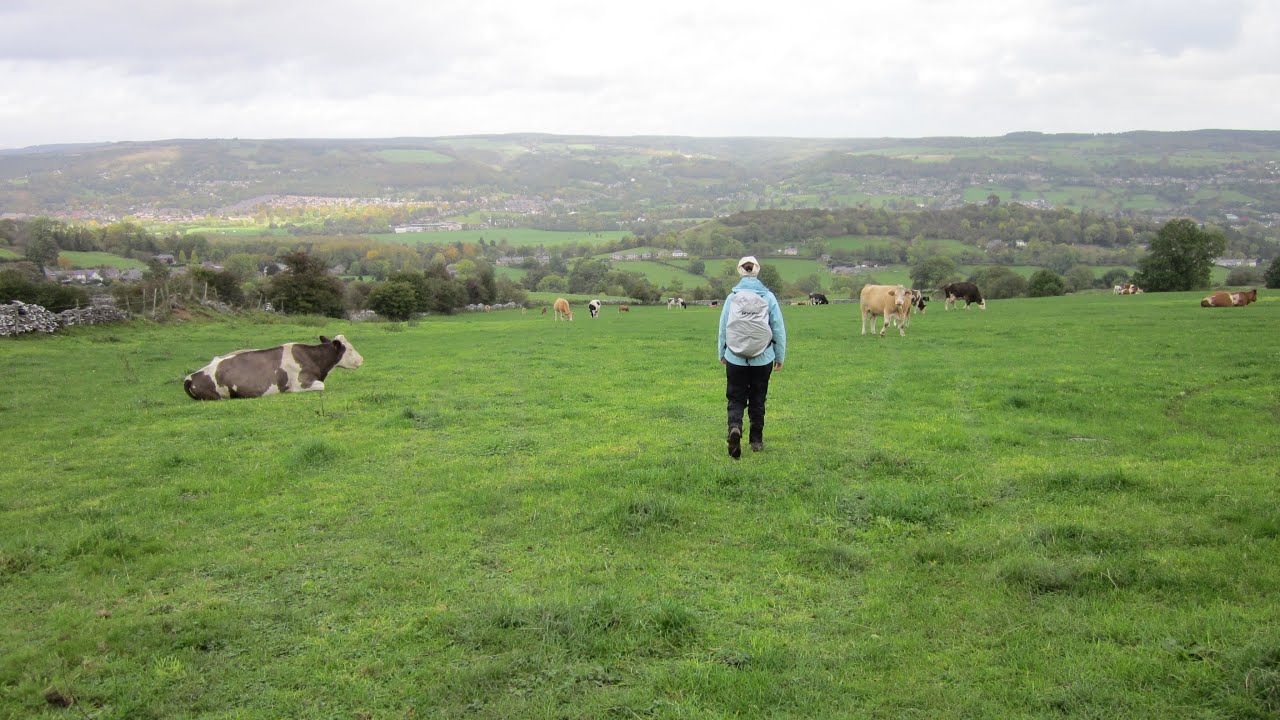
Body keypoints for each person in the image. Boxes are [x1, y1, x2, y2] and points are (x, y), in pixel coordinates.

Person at [717, 256, 786, 458]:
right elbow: (778, 329)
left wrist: (722, 352)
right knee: (758, 398)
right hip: (763, 358)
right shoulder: (768, 297)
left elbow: (723, 328)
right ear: (757, 270)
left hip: (735, 357)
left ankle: (735, 426)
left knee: (736, 397)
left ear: (740, 271)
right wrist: (779, 356)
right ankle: (756, 440)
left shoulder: (732, 298)